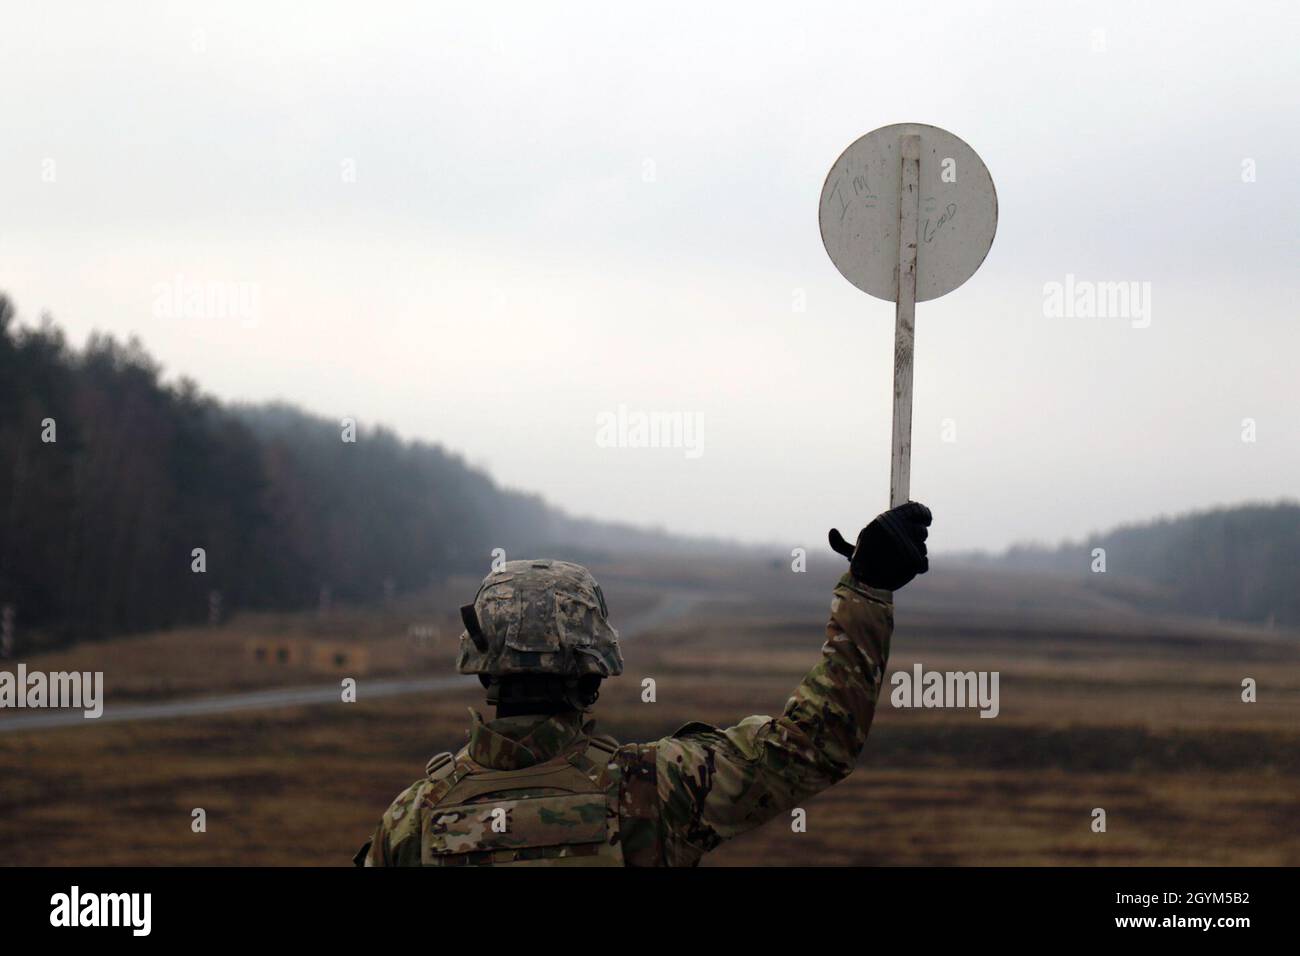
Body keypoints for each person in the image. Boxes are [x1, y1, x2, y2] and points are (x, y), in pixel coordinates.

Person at [357, 501, 932, 867]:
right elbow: (813, 745)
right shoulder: (657, 789)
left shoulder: (411, 821)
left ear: (481, 665)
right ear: (594, 671)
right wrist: (867, 587)